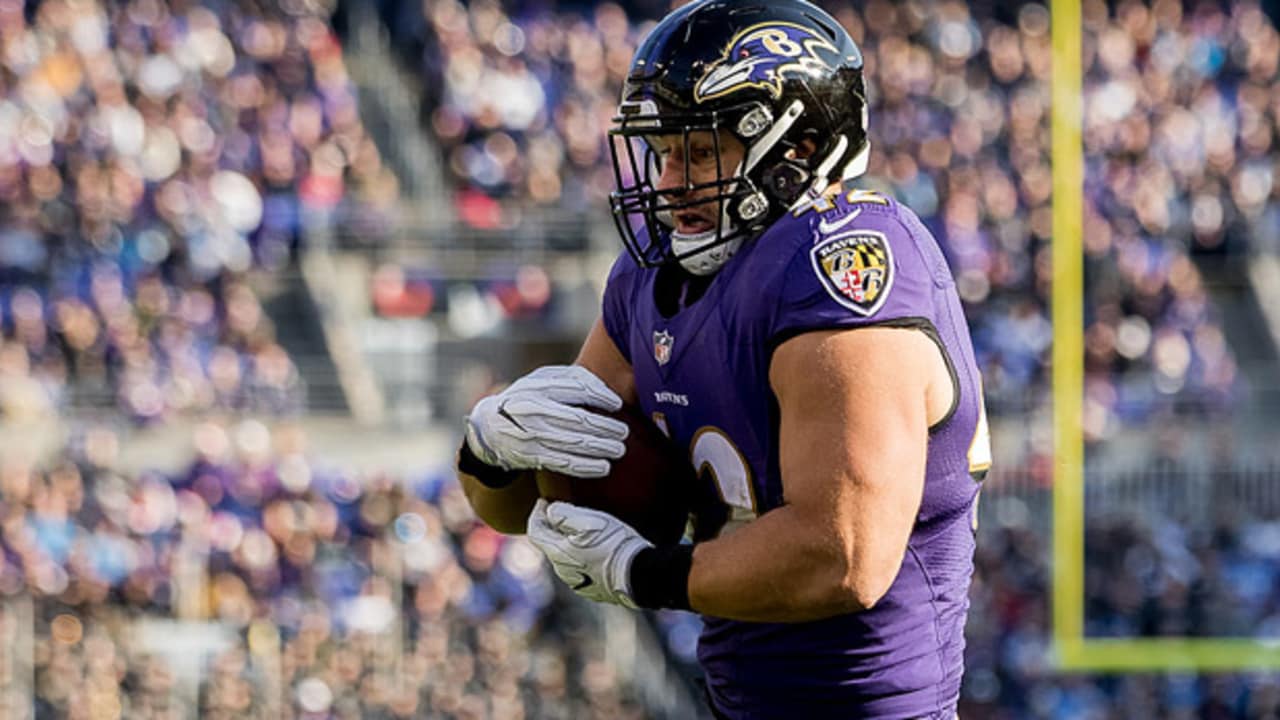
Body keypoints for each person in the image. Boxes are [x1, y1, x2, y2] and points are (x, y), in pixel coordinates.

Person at [455, 0, 990, 716]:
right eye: (663, 151)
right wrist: (492, 446)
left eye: (701, 150)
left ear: (798, 148)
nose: (671, 182)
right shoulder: (651, 278)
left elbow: (843, 554)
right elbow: (538, 498)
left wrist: (647, 573)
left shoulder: (841, 268)